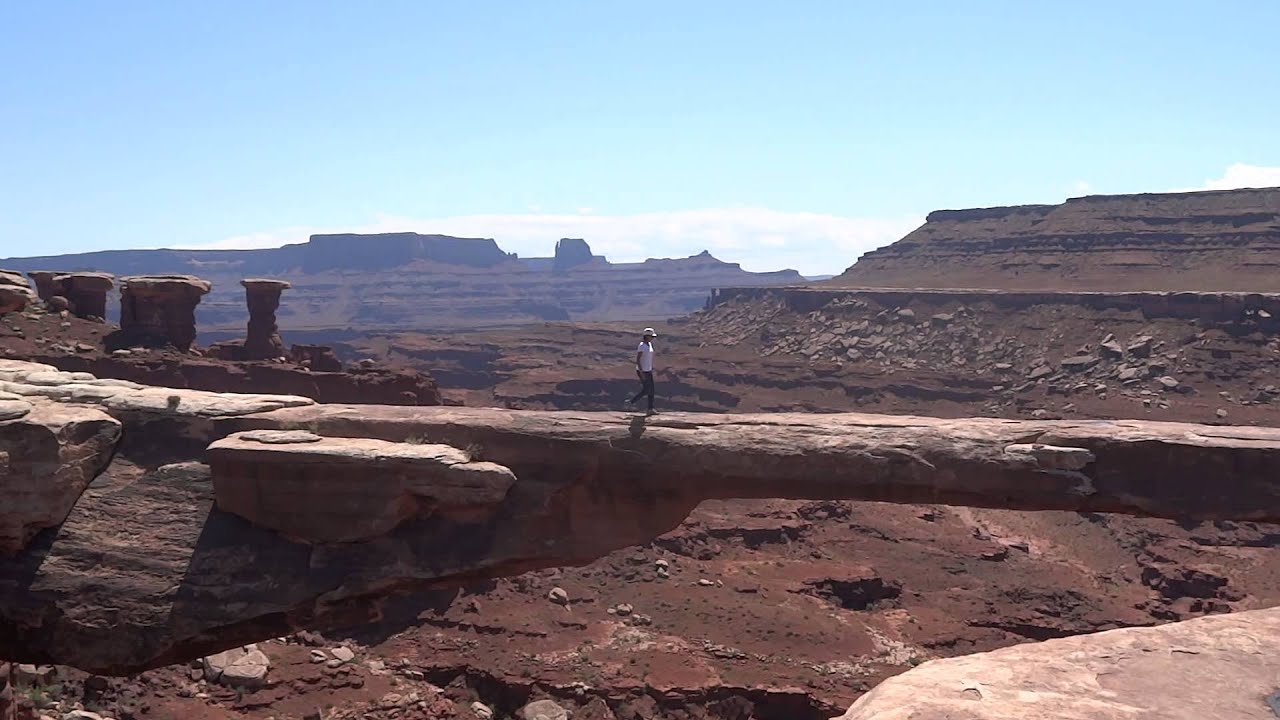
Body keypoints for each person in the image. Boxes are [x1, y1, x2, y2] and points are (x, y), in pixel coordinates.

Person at [627, 327, 658, 414]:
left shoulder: (649, 344)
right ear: (647, 336)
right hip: (643, 371)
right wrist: (641, 372)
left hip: (648, 370)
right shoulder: (642, 346)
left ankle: (650, 409)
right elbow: (638, 359)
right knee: (647, 389)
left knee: (651, 390)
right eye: (651, 337)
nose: (652, 338)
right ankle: (631, 402)